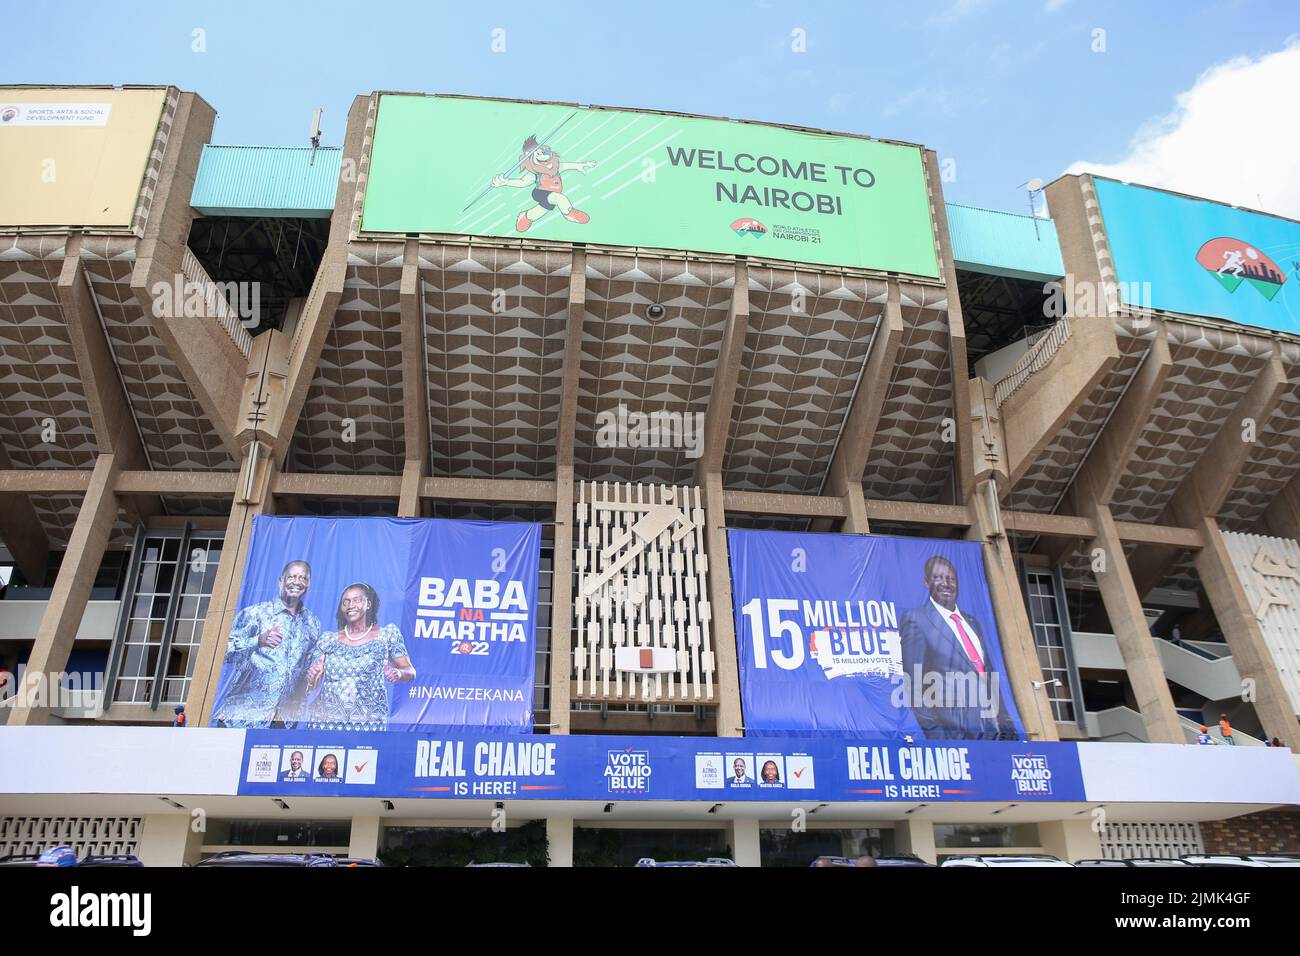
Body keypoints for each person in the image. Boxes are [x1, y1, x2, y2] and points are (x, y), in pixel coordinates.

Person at [899, 555, 1018, 740]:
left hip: (994, 735)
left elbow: (988, 676)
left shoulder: (972, 622)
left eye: (951, 578)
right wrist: (939, 738)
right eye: (938, 578)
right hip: (957, 738)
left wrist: (1007, 728)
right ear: (926, 582)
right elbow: (913, 686)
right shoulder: (916, 620)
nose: (946, 583)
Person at [211, 560, 323, 728]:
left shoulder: (313, 623)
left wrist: (314, 673)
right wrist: (258, 641)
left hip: (283, 721)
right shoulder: (255, 613)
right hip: (243, 717)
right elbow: (223, 653)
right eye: (292, 577)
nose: (297, 582)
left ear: (308, 584)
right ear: (281, 581)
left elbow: (308, 669)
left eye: (303, 578)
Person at [305, 583, 415, 731]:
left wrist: (399, 673)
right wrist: (313, 675)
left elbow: (410, 671)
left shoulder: (387, 635)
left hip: (367, 725)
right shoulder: (328, 639)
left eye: (356, 600)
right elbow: (312, 683)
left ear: (368, 603)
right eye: (346, 602)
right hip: (324, 724)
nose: (350, 605)